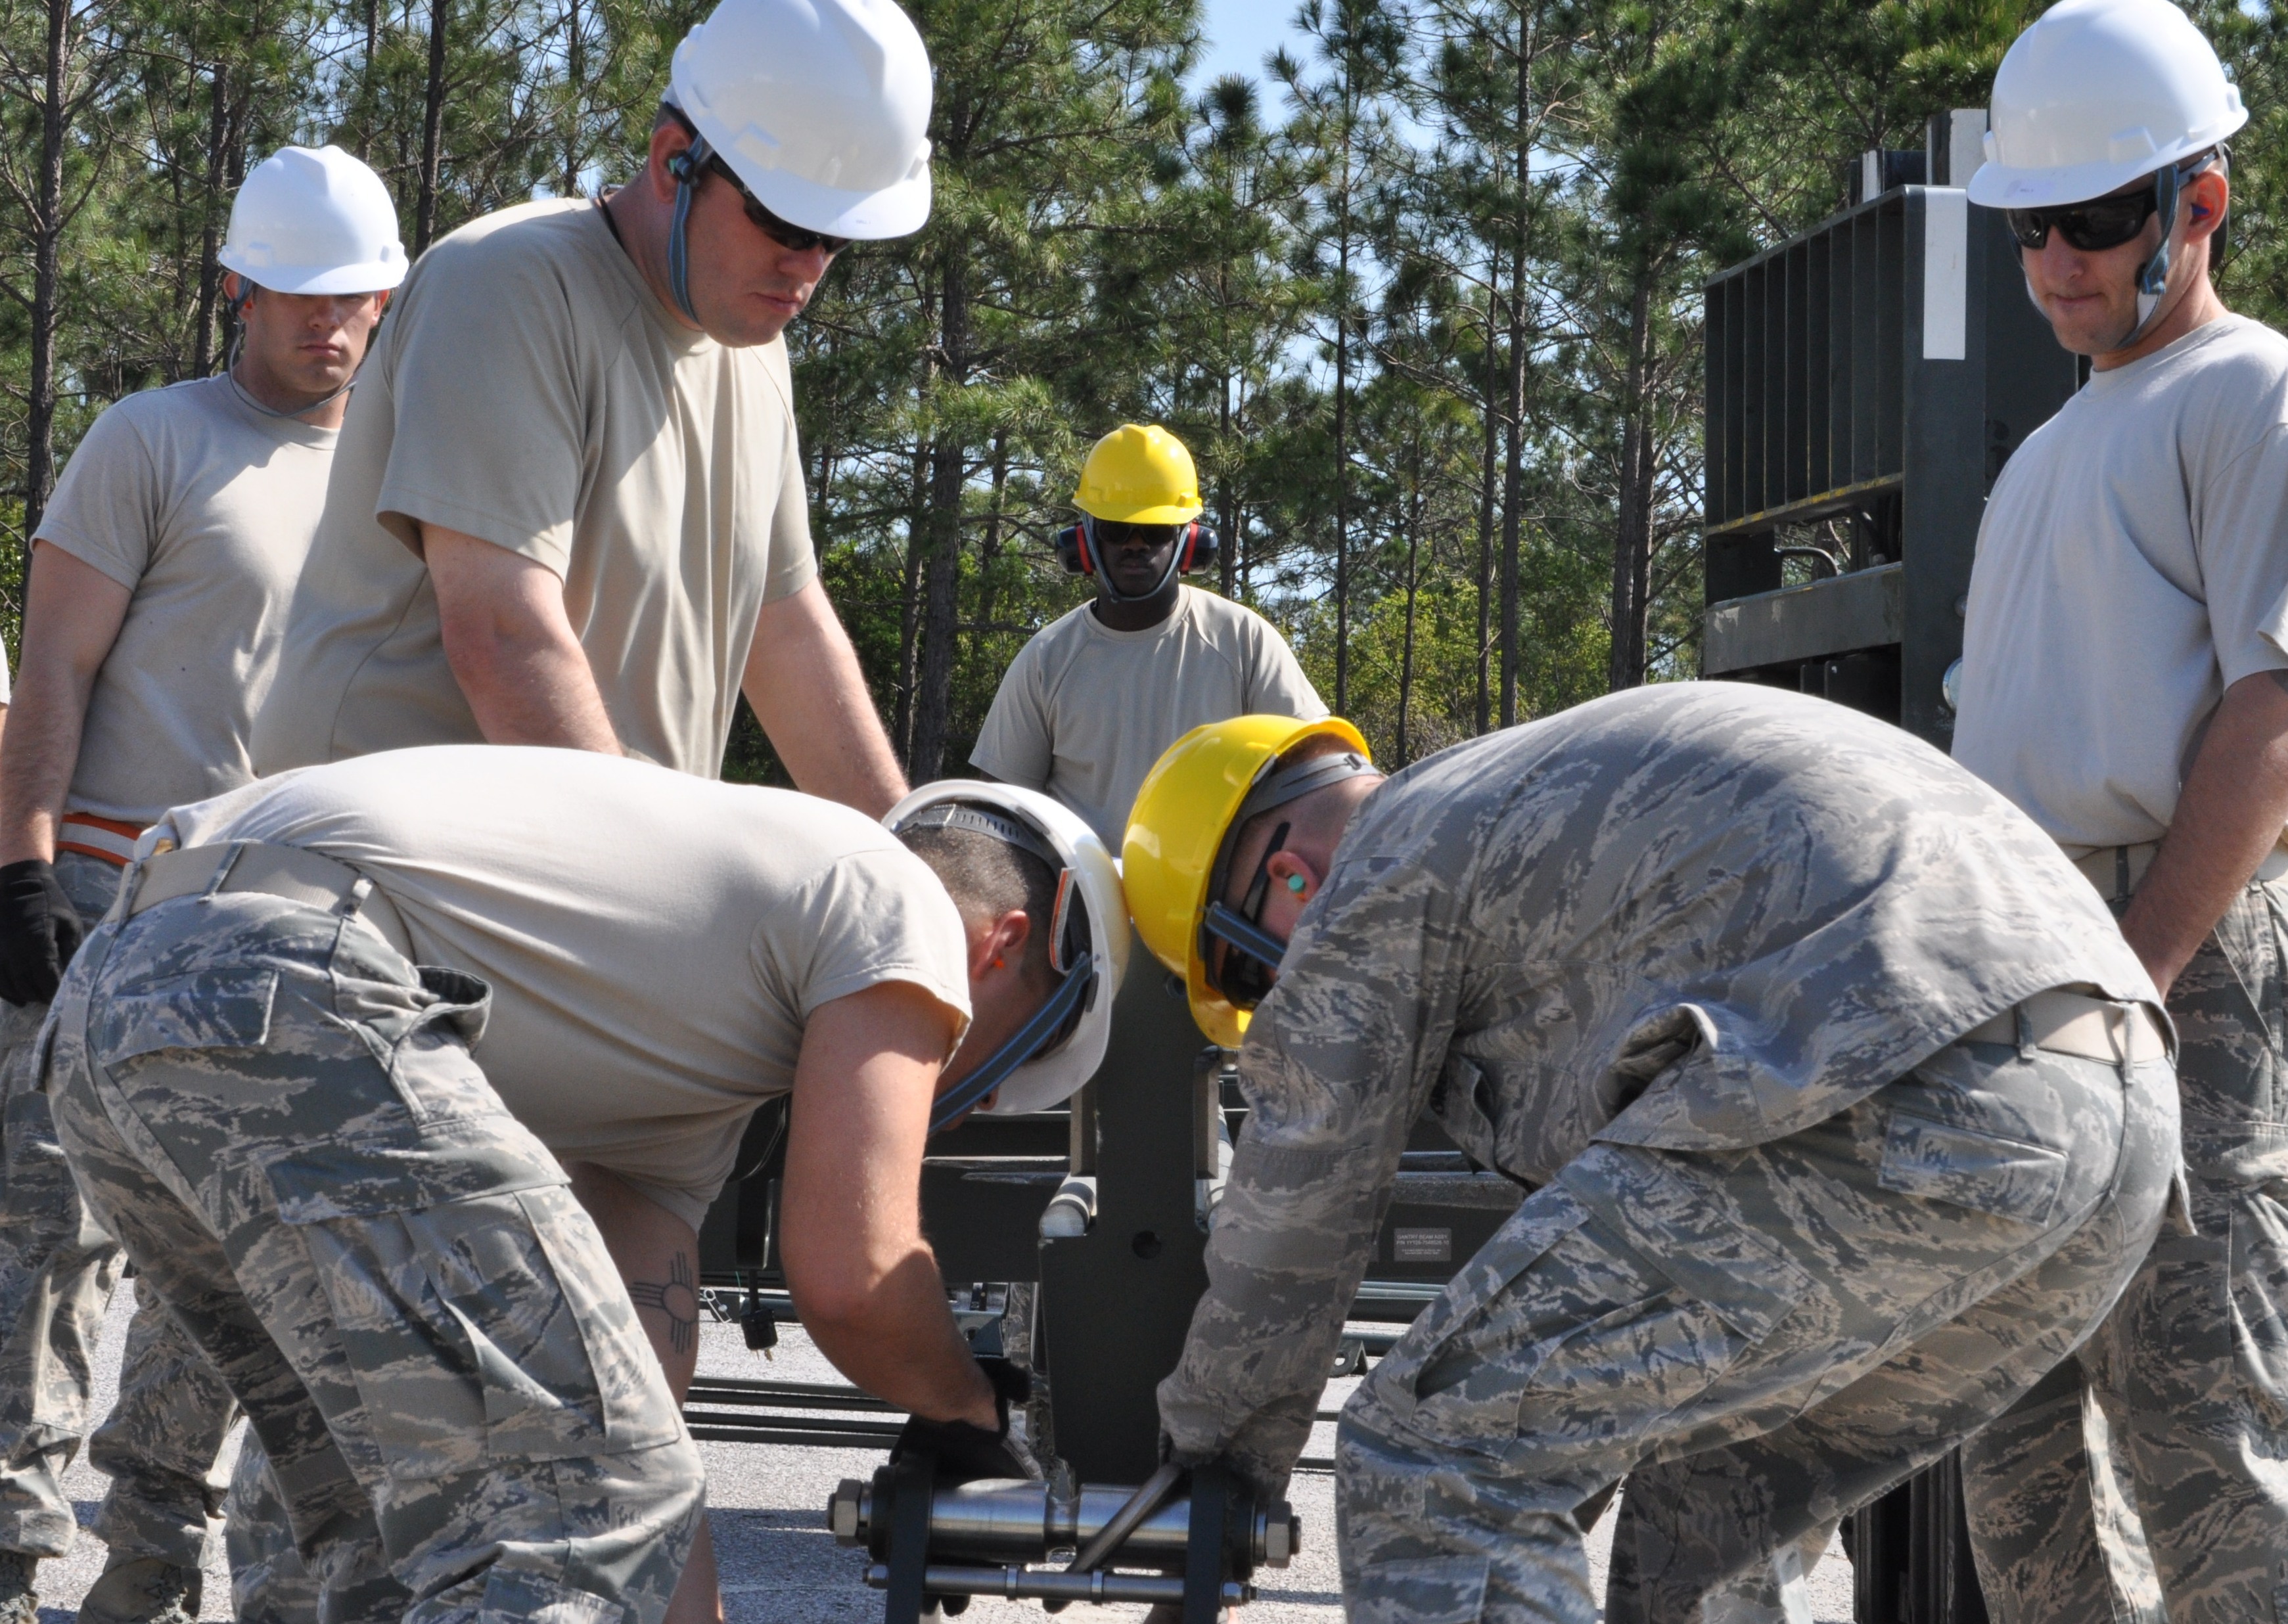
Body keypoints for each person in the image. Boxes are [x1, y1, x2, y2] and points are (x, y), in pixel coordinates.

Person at [1123, 686, 2178, 1624]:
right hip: (2113, 1122)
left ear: (1285, 877)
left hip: (1902, 1089)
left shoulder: (1383, 861)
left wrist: (1216, 1464)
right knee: (1706, 1515)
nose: (1278, 999)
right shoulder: (1530, 806)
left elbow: (1297, 1211)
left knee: (1435, 1462)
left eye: (1253, 976)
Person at [43, 746, 1126, 1624]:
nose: (974, 1099)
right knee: (546, 1528)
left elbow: (631, 1430)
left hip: (114, 994)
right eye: (1005, 1057)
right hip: (292, 968)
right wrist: (971, 1411)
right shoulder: (901, 900)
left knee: (359, 1516)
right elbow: (856, 1275)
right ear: (1007, 940)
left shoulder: (688, 1060)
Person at [0, 144, 403, 1624]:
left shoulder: (404, 478)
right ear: (239, 285)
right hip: (106, 913)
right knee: (42, 1272)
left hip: (288, 933)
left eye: (357, 296)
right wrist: (19, 868)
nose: (331, 323)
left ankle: (159, 1578)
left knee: (242, 1299)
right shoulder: (152, 439)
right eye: (301, 295)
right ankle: (6, 1571)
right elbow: (54, 665)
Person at [1938, 1, 2288, 1617]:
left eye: (2093, 221)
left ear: (2196, 206)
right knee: (2000, 1442)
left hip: (2175, 938)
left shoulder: (2246, 396)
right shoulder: (2042, 455)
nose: (2054, 262)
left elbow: (2269, 711)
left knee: (2198, 1427)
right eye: (2029, 228)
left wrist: (2137, 973)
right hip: (2016, 947)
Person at [248, 0, 923, 817]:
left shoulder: (755, 354)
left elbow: (784, 631)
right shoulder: (505, 285)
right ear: (675, 159)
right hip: (380, 874)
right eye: (783, 221)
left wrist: (914, 858)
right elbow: (503, 636)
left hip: (576, 870)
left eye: (836, 237)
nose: (807, 266)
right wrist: (662, 875)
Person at [972, 423, 1324, 849]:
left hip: (1210, 907)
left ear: (1189, 540)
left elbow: (1319, 772)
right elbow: (996, 818)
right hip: (1087, 908)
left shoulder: (1243, 641)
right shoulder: (1047, 660)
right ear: (1084, 539)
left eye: (1156, 530)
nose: (1135, 545)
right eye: (1117, 530)